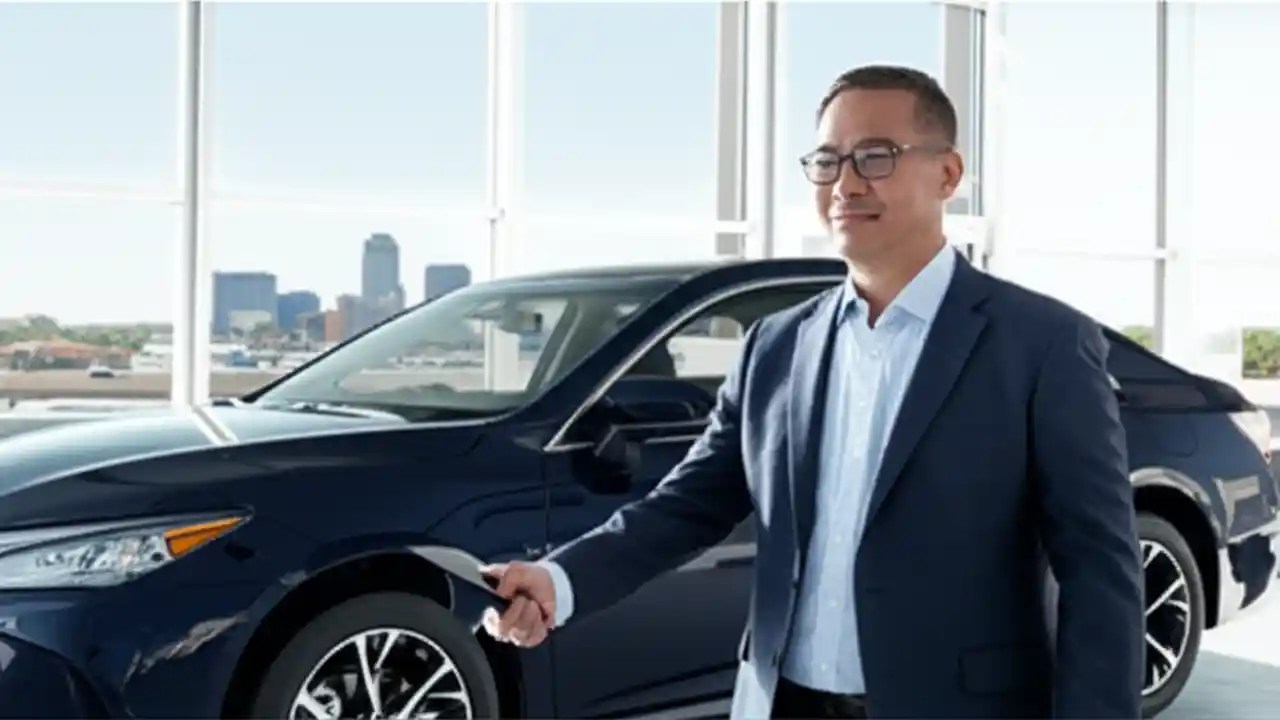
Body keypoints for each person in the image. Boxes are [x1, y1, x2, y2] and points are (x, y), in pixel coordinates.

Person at [481, 64, 1145, 719]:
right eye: (828, 161)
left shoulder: (1042, 345)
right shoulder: (775, 345)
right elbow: (687, 505)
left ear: (948, 175)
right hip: (781, 702)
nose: (846, 184)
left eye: (876, 157)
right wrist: (560, 581)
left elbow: (1100, 571)